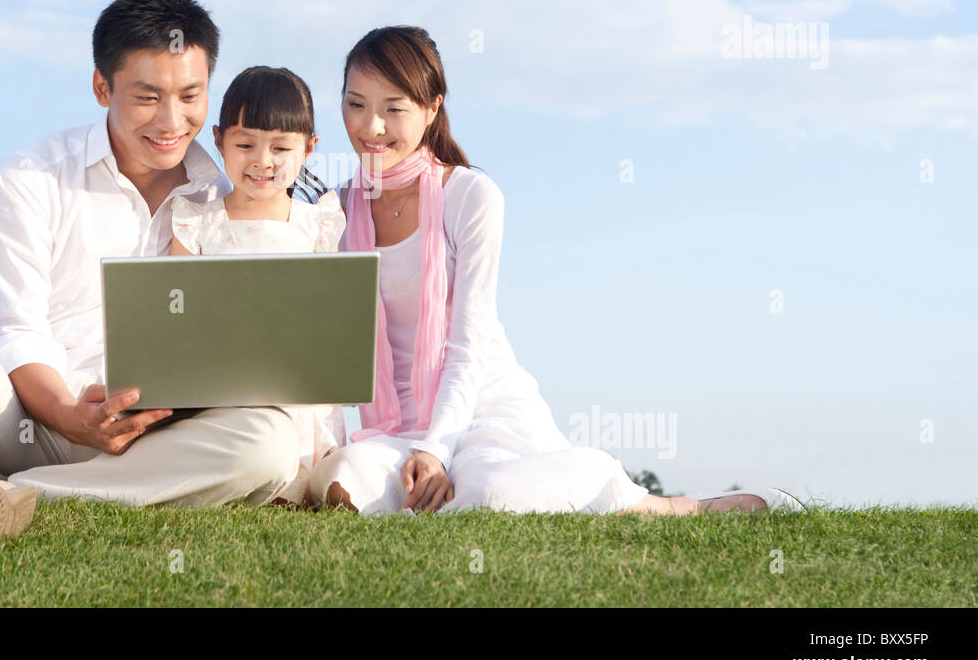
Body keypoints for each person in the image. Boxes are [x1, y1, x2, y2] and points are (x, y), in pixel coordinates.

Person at [0, 0, 302, 554]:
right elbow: (13, 328)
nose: (172, 121)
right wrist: (70, 415)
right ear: (102, 88)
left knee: (269, 444)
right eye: (147, 97)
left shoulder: (225, 197)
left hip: (150, 437)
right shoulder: (29, 177)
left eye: (190, 96)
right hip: (23, 416)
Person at [305, 26, 805, 517]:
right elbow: (326, 348)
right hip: (396, 424)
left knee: (492, 495)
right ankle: (432, 491)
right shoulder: (337, 210)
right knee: (338, 479)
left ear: (432, 107)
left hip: (481, 408)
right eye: (355, 105)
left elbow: (468, 343)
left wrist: (437, 447)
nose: (371, 127)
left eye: (393, 109)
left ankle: (664, 504)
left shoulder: (470, 197)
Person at [165, 66, 348, 506]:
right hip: (221, 386)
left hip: (298, 383)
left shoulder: (317, 223)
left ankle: (311, 481)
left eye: (281, 148)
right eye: (245, 144)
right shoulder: (197, 220)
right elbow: (174, 307)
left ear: (308, 149)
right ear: (218, 140)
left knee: (323, 466)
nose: (263, 161)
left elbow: (331, 314)